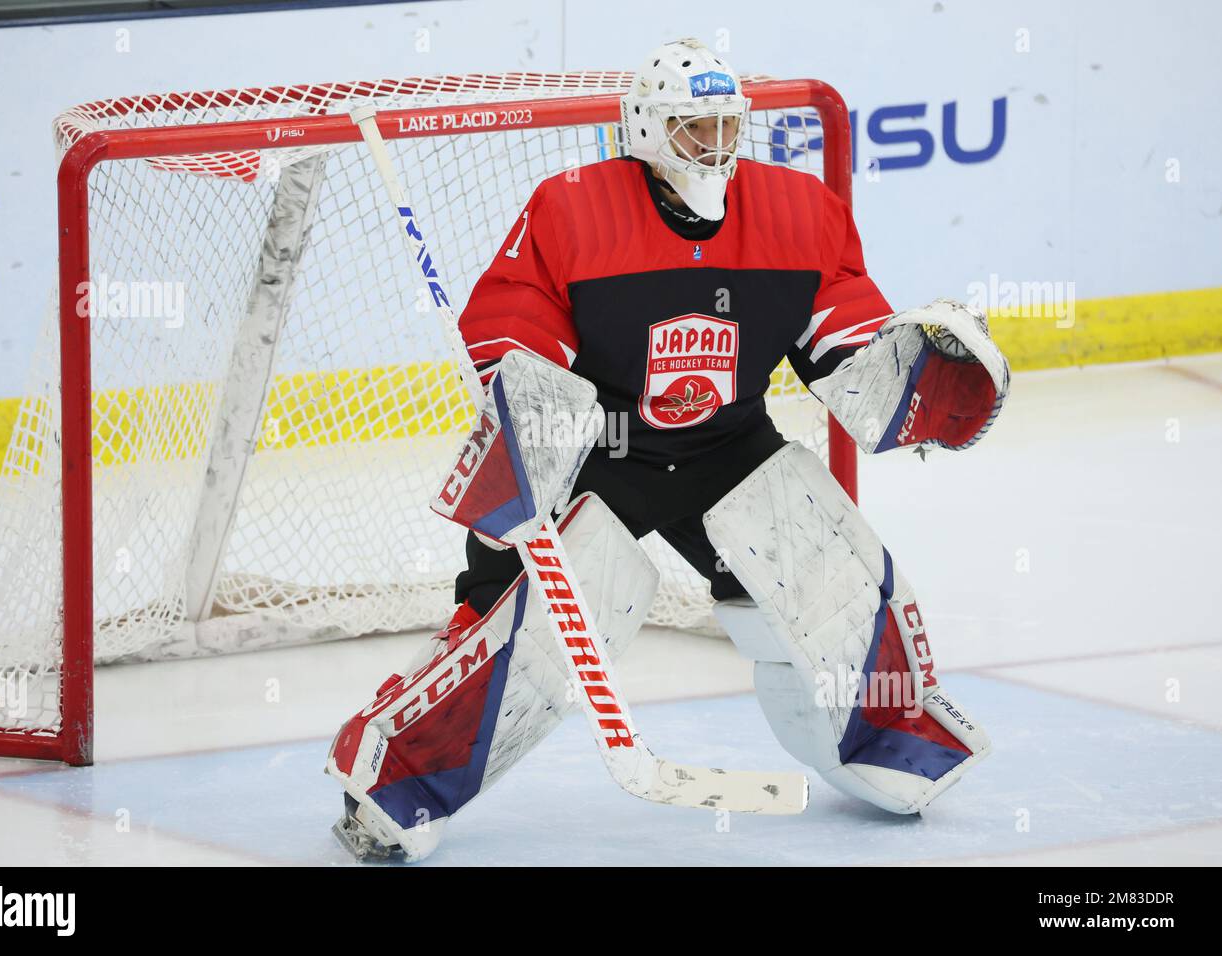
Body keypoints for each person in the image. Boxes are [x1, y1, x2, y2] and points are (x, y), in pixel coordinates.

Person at [326, 38, 1009, 861]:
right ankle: (395, 786)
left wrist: (917, 379)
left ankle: (891, 738)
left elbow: (845, 338)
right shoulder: (573, 208)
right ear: (646, 130)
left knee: (838, 574)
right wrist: (525, 407)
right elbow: (516, 316)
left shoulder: (797, 210)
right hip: (608, 453)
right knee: (540, 635)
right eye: (693, 128)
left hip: (732, 444)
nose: (714, 145)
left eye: (727, 126)